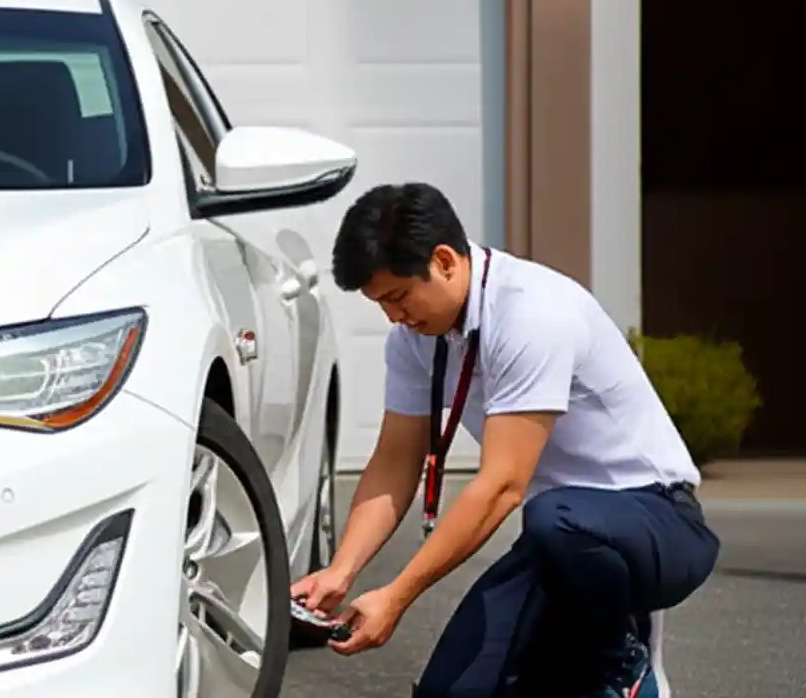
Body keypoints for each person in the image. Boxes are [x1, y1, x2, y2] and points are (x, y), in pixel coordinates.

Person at [291, 182, 720, 697]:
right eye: (380, 304)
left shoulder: (533, 313)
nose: (393, 316)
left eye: (399, 297)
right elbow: (394, 461)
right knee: (450, 692)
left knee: (553, 515)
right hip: (557, 542)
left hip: (656, 522)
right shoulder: (414, 340)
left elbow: (502, 487)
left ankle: (621, 666)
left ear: (445, 260)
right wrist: (342, 571)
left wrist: (397, 597)